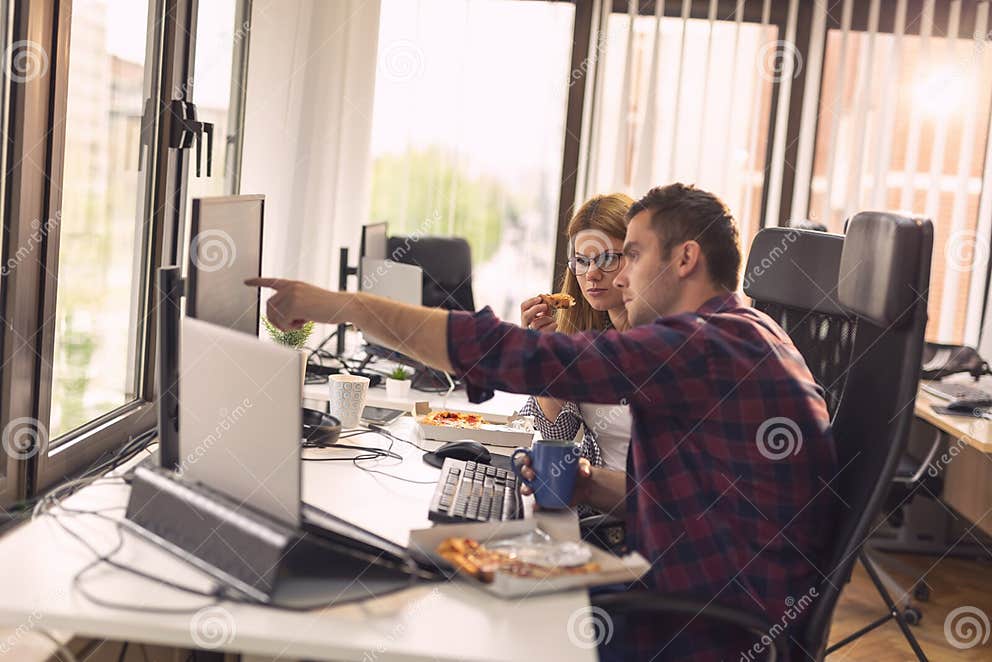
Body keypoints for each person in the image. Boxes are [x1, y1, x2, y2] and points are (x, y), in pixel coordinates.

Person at [247, 183, 839, 661]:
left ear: (686, 258)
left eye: (631, 254)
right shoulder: (741, 330)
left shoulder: (703, 345)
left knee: (453, 613)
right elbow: (709, 496)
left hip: (703, 626)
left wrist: (334, 303)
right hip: (702, 597)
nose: (620, 275)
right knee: (444, 580)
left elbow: (510, 354)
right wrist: (591, 486)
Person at [519, 193, 633, 472]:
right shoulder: (588, 339)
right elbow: (558, 435)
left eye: (607, 258)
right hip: (594, 504)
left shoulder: (666, 341)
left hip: (638, 510)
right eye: (582, 261)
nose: (592, 273)